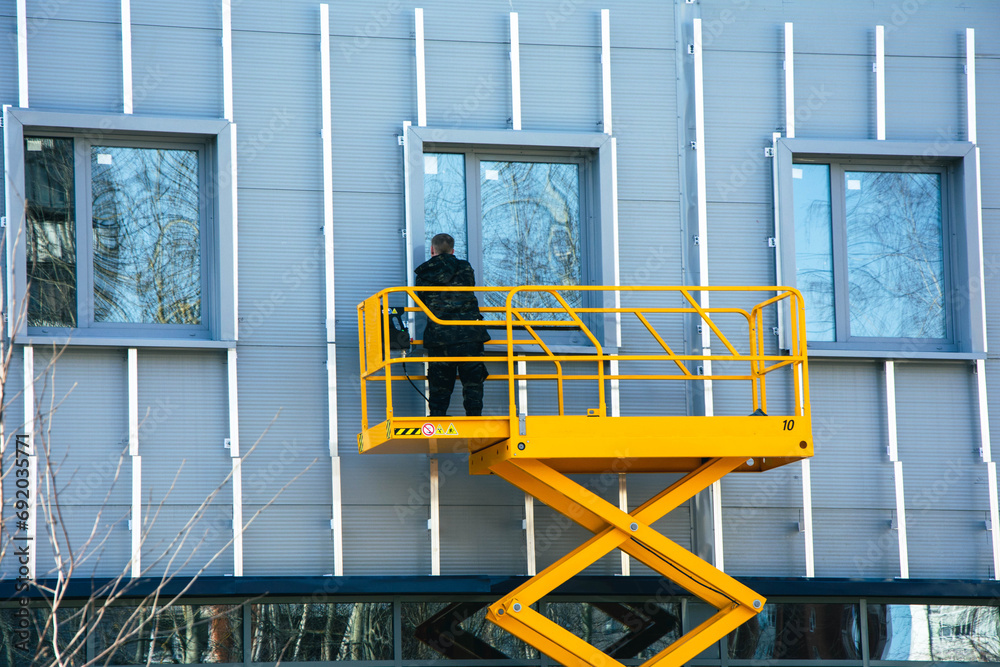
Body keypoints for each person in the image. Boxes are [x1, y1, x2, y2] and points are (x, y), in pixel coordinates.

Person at [415, 233, 490, 417]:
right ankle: (474, 418)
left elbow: (421, 300)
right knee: (473, 380)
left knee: (439, 382)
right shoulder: (465, 268)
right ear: (453, 250)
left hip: (440, 337)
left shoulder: (424, 273)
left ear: (432, 250)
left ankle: (437, 418)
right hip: (470, 335)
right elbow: (469, 287)